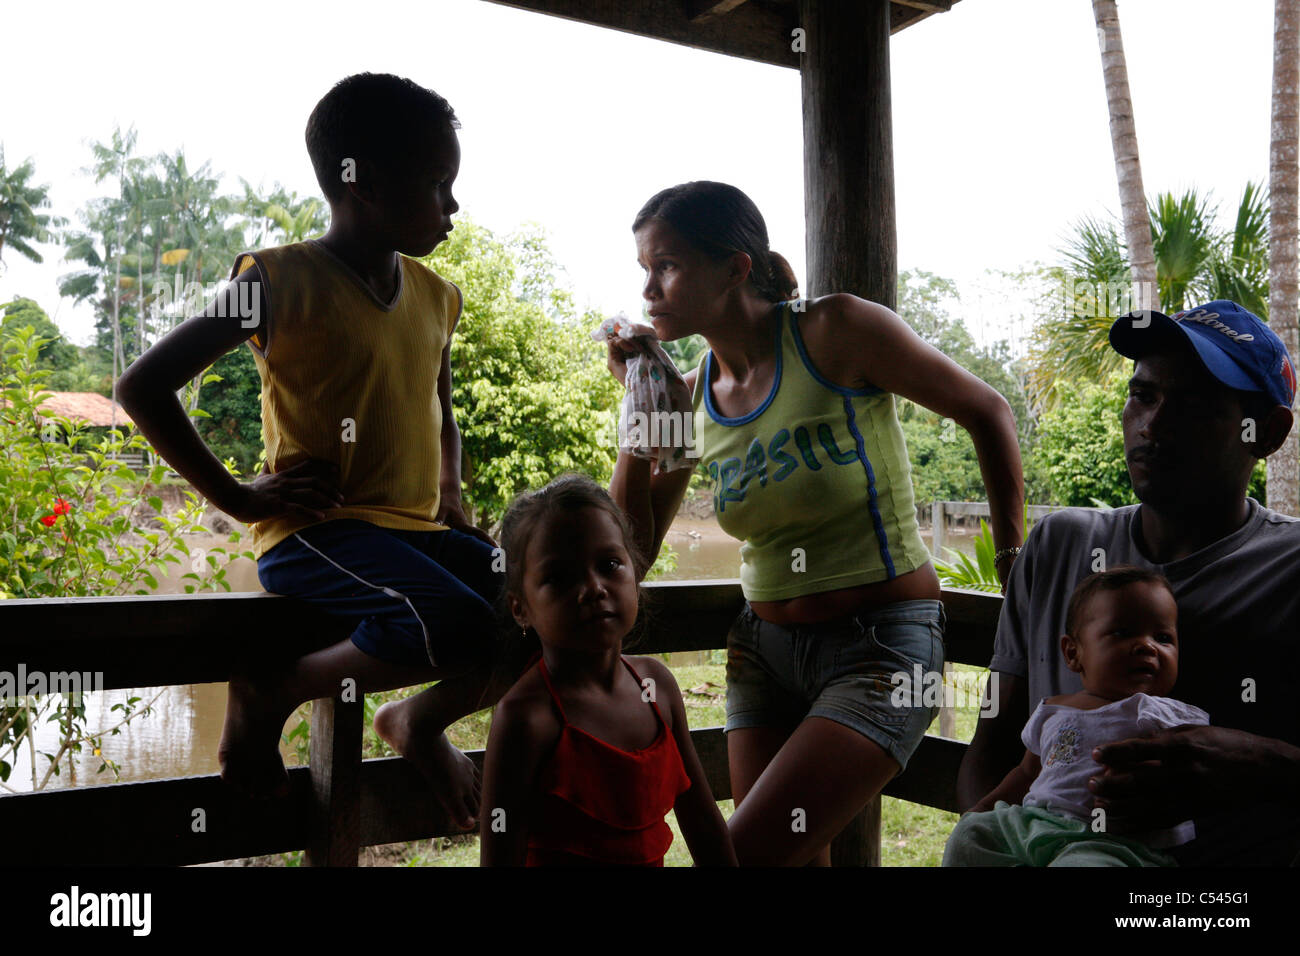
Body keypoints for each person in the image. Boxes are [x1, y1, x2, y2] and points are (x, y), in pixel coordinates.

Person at [117, 74, 501, 828]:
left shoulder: (437, 294)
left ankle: (416, 723)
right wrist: (237, 499)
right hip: (318, 533)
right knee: (459, 623)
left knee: (534, 612)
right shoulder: (273, 279)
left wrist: (450, 493)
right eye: (438, 184)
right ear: (364, 183)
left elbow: (441, 409)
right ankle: (278, 686)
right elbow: (143, 386)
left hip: (416, 534)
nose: (453, 206)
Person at [608, 181, 1024, 866]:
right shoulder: (688, 393)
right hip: (761, 654)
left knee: (738, 858)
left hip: (882, 650)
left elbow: (988, 411)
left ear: (736, 267)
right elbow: (634, 550)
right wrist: (639, 407)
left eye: (667, 266)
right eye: (643, 271)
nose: (648, 289)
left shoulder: (835, 331)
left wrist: (1013, 560)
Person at [958, 300, 1300, 866]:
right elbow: (994, 745)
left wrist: (1262, 763)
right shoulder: (1057, 547)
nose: (1154, 424)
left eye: (1195, 404)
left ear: (1267, 432)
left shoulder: (1288, 569)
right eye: (1143, 395)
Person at [479, 474, 736, 866]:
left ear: (635, 575)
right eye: (559, 578)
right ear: (521, 609)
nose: (592, 587)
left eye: (610, 564)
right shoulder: (528, 718)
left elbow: (702, 822)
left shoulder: (657, 688)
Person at [944, 567, 1208, 866]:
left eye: (1162, 637)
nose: (1147, 645)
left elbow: (1191, 776)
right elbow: (1026, 774)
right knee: (969, 837)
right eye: (1123, 632)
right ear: (1072, 653)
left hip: (1110, 843)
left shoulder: (1168, 716)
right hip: (1033, 824)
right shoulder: (1053, 709)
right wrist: (982, 808)